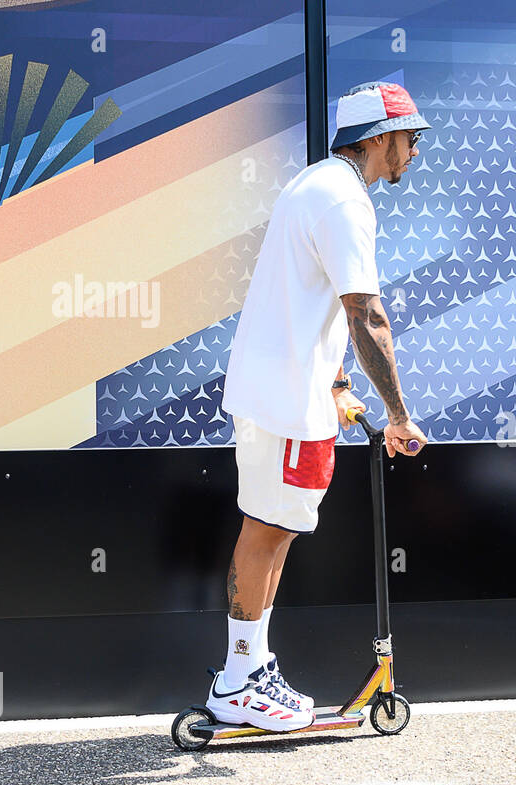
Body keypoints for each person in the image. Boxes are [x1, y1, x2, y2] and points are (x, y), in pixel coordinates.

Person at [209, 81, 430, 730]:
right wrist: (397, 414)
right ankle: (237, 680)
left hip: (288, 392)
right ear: (378, 138)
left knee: (274, 528)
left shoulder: (318, 186)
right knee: (267, 529)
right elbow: (366, 314)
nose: (414, 150)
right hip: (283, 400)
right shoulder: (343, 202)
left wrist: (337, 384)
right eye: (408, 137)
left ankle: (246, 671)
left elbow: (311, 298)